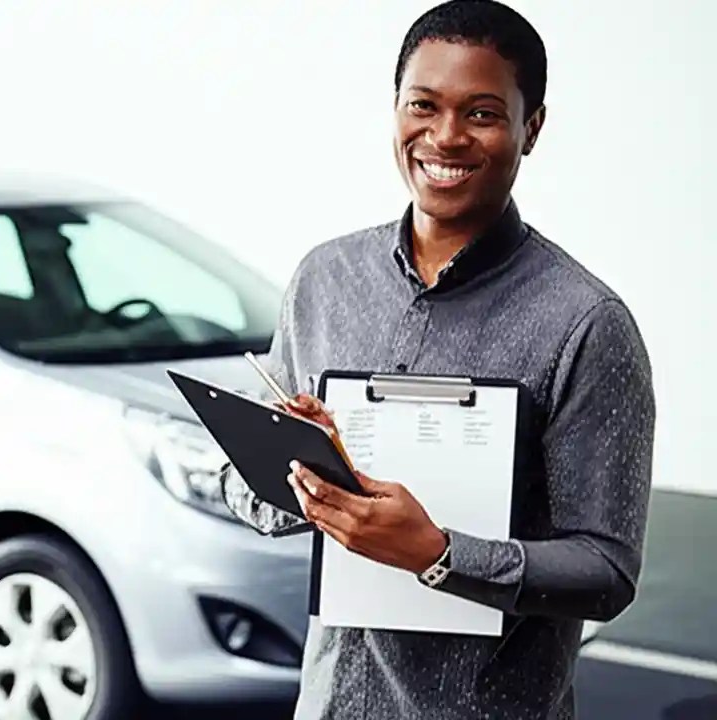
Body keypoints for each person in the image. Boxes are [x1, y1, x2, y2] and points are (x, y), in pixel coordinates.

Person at [220, 1, 656, 718]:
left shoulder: (586, 325)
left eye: (482, 113)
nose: (445, 137)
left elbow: (606, 572)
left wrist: (438, 552)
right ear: (395, 110)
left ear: (531, 128)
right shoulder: (325, 280)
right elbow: (249, 491)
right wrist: (299, 472)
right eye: (423, 105)